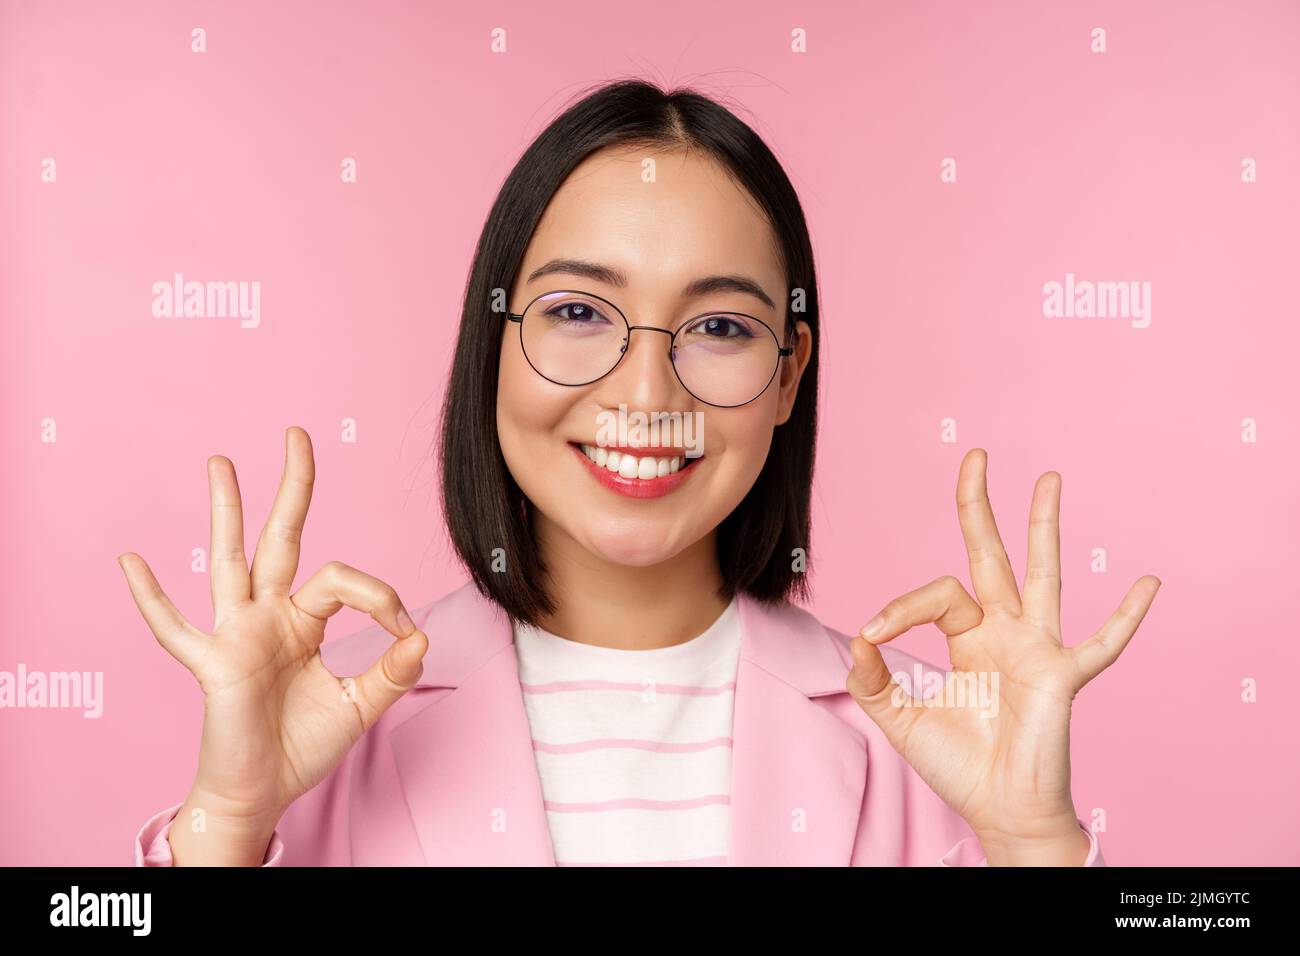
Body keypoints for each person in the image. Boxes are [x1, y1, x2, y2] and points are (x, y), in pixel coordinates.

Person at [120, 79, 1158, 866]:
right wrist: (225, 820)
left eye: (717, 325)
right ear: (492, 339)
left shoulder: (933, 741)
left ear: (788, 373)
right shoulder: (323, 727)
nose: (647, 391)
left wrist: (1038, 844)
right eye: (578, 312)